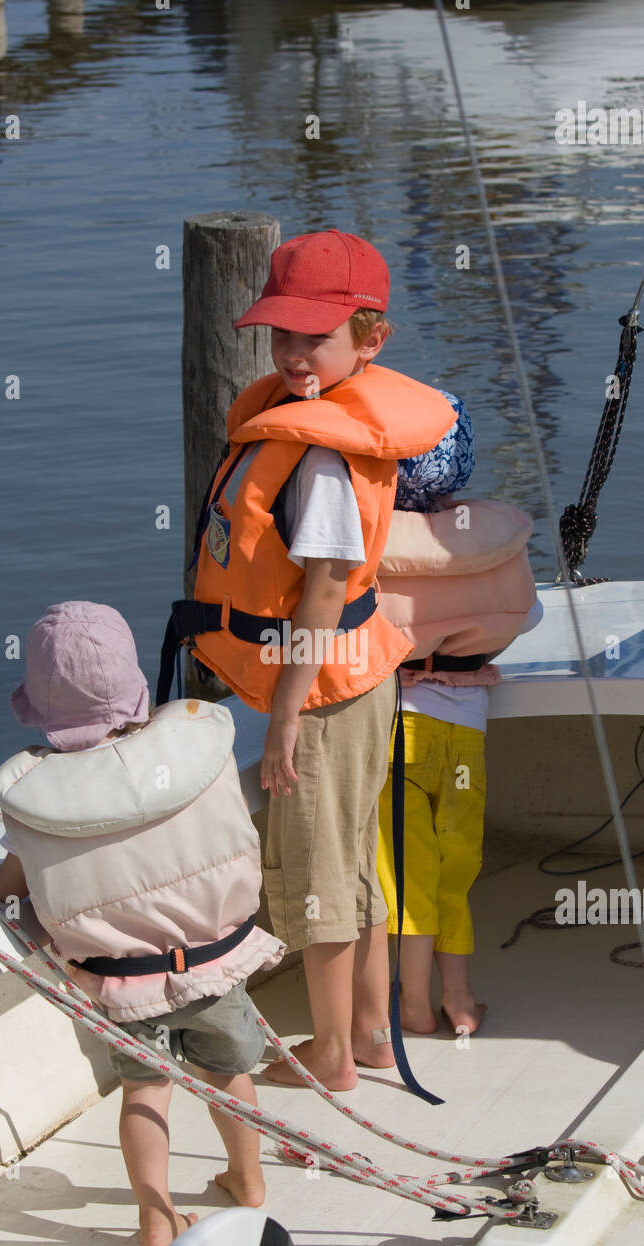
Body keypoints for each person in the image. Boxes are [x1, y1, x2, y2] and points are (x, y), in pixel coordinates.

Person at [158, 229, 457, 1091]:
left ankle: (330, 1058)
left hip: (322, 691)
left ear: (371, 341)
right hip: (358, 678)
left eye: (314, 339)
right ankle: (364, 1031)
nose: (292, 356)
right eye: (281, 336)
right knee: (353, 865)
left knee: (319, 878)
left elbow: (323, 589)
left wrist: (285, 714)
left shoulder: (322, 452)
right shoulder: (321, 422)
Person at [0, 601, 285, 1246]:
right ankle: (247, 1177)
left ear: (38, 706)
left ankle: (155, 1217)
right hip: (213, 962)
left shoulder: (41, 798)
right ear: (137, 687)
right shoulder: (196, 751)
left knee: (145, 1090)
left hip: (126, 986)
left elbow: (9, 886)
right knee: (231, 1076)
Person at [375, 395, 541, 1036]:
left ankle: (412, 1006)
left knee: (408, 869)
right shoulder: (491, 539)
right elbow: (529, 615)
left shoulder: (380, 543)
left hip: (402, 735)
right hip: (464, 739)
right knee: (456, 865)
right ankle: (461, 1000)